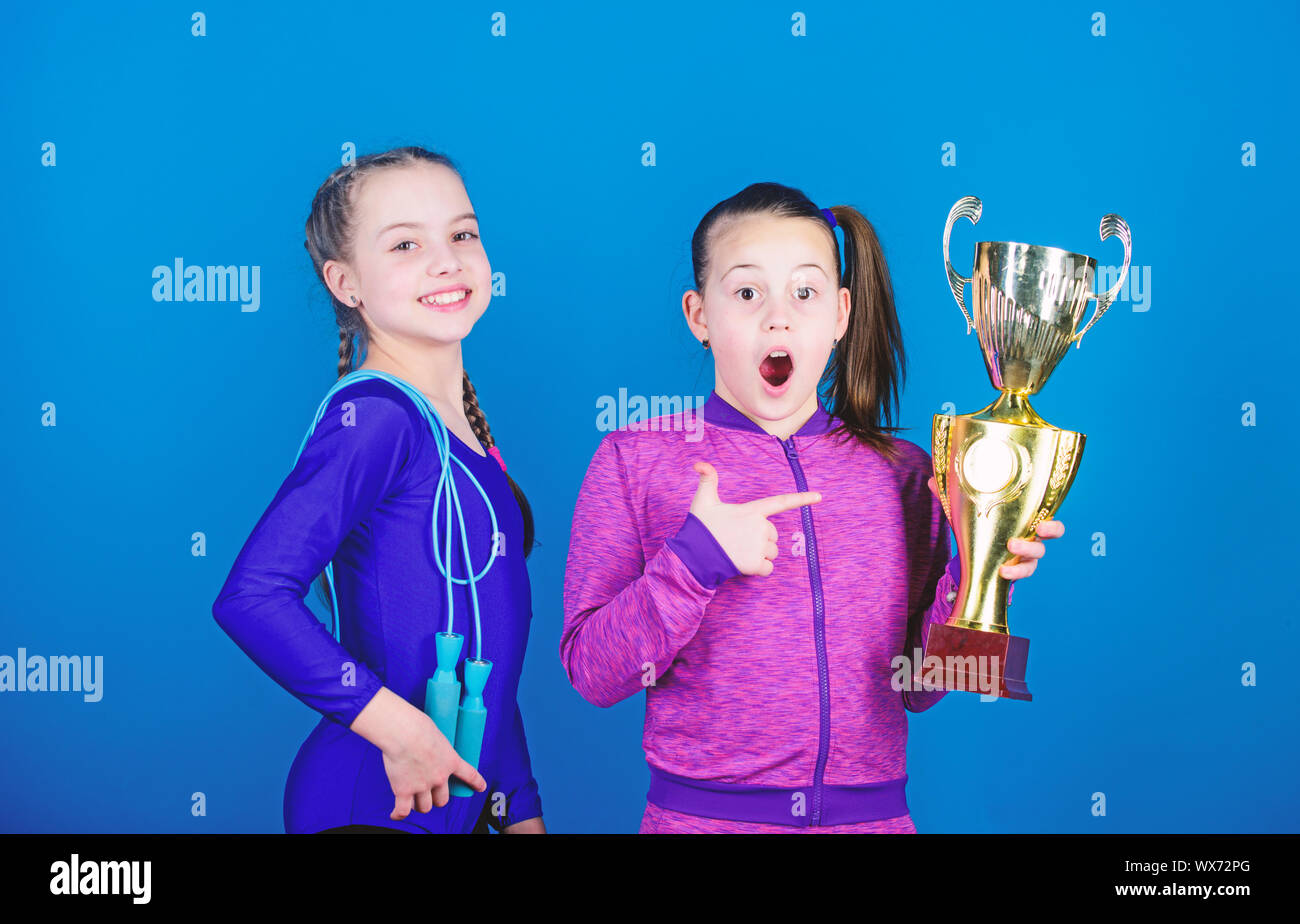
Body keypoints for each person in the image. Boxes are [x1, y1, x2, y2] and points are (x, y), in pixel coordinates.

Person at [560, 182, 1063, 833]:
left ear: (842, 314)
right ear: (698, 315)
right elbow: (592, 674)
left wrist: (979, 575)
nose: (780, 317)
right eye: (747, 293)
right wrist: (694, 562)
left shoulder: (907, 475)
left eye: (806, 291)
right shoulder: (636, 459)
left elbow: (926, 686)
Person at [213, 146, 544, 834]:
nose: (446, 260)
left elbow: (488, 662)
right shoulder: (377, 419)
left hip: (455, 809)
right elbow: (251, 598)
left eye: (462, 234)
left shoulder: (471, 439)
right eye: (404, 244)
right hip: (371, 800)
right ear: (345, 282)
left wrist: (517, 810)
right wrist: (401, 730)